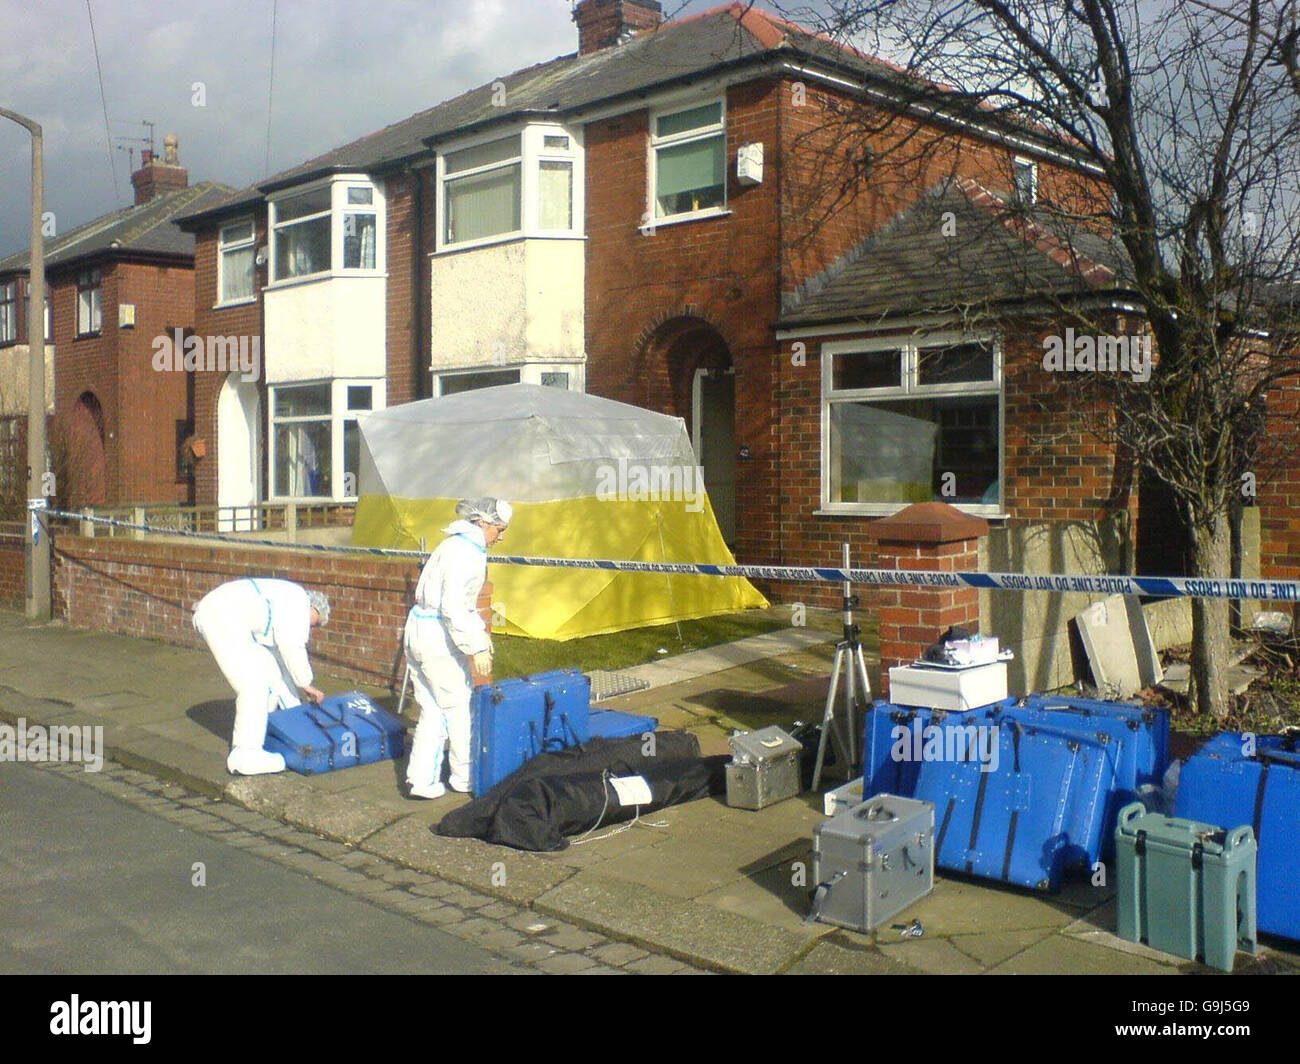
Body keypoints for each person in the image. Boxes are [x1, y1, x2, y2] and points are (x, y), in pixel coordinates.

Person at [403, 496, 511, 799]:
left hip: (418, 629)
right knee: (459, 707)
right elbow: (454, 608)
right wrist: (476, 645)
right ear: (484, 523)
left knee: (433, 708)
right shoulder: (468, 554)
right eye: (499, 530)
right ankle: (465, 778)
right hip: (438, 637)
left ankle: (421, 780)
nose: (501, 537)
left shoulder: (452, 544)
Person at [192, 578, 330, 775]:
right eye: (313, 623)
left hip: (224, 617)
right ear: (313, 607)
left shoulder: (283, 599)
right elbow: (292, 646)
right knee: (254, 684)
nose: (310, 628)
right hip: (221, 618)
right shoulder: (298, 602)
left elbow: (279, 672)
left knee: (266, 668)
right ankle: (246, 754)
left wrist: (297, 714)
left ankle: (265, 733)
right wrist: (306, 683)